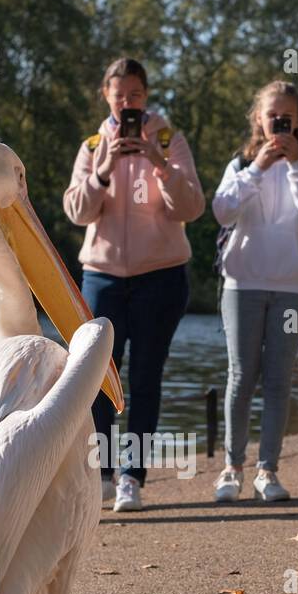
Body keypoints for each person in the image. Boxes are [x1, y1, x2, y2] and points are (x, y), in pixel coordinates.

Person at [64, 57, 205, 513]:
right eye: (120, 95)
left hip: (159, 277)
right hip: (102, 277)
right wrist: (103, 169)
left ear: (146, 97)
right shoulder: (91, 145)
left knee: (145, 378)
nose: (128, 104)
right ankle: (100, 474)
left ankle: (132, 477)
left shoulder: (168, 138)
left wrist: (159, 163)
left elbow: (191, 208)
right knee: (98, 378)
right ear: (106, 96)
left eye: (136, 96)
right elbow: (77, 212)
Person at [210, 80, 298, 503]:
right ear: (258, 118)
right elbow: (223, 211)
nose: (279, 123)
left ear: (297, 121)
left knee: (278, 381)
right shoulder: (241, 164)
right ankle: (231, 468)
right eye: (272, 115)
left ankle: (268, 471)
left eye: (288, 117)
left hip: (291, 287)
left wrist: (296, 166)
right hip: (242, 283)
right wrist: (258, 168)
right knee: (241, 376)